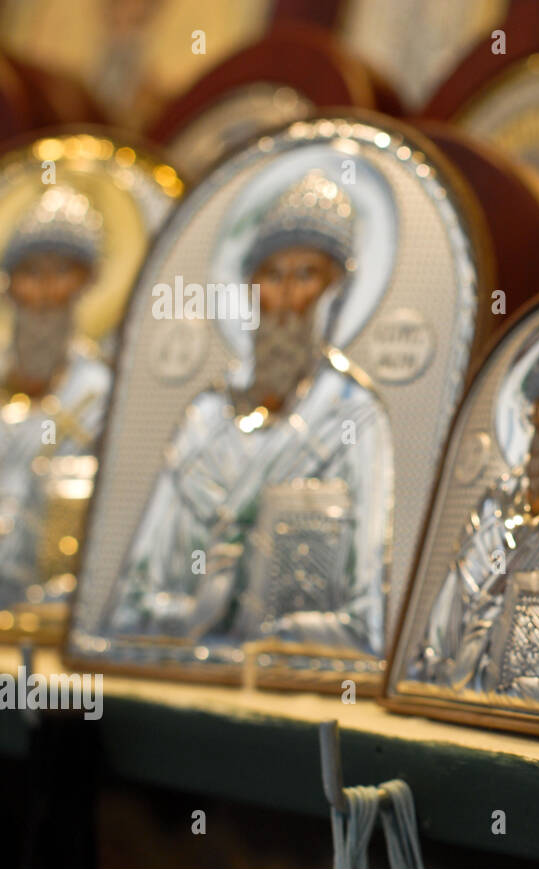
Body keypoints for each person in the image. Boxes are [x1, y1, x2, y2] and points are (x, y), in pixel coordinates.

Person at [101, 170, 394, 656]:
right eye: (271, 275)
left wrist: (270, 636)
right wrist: (193, 616)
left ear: (336, 291)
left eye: (306, 276)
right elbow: (131, 606)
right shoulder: (206, 417)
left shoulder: (353, 418)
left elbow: (365, 627)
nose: (285, 299)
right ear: (249, 287)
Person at [414, 318, 539, 718]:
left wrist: (519, 689)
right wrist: (436, 666)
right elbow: (454, 598)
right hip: (459, 687)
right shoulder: (496, 502)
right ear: (531, 413)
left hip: (522, 698)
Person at [0, 186, 110, 611]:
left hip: (52, 611)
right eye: (31, 273)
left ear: (86, 283)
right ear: (10, 286)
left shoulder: (102, 399)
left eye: (61, 272)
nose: (45, 292)